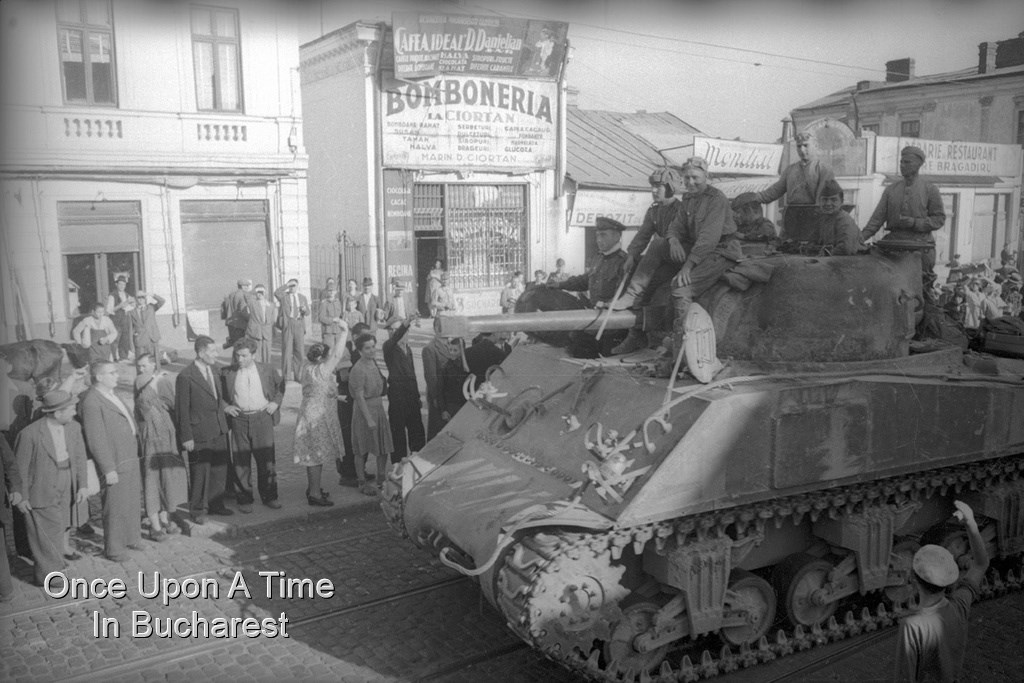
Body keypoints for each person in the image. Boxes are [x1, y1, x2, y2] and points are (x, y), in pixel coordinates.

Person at [894, 500, 989, 682]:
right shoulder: (959, 605)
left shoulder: (912, 626)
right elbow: (980, 564)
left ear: (914, 580)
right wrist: (971, 524)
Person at [666, 157, 743, 363]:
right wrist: (673, 240)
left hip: (721, 251)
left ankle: (684, 353)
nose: (690, 182)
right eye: (687, 178)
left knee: (681, 288)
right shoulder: (689, 199)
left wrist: (687, 267)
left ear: (706, 177)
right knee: (658, 249)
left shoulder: (716, 198)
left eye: (695, 178)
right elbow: (676, 226)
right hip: (701, 250)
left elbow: (709, 239)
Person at [11, 390, 88, 585]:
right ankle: (48, 577)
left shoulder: (74, 427)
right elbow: (20, 469)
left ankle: (55, 564)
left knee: (61, 525)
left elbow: (79, 458)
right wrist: (22, 498)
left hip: (66, 481)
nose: (74, 412)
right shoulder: (29, 434)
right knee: (47, 531)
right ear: (56, 412)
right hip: (42, 487)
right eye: (70, 409)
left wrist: (82, 486)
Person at [861, 145, 946, 301]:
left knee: (920, 292)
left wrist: (915, 223)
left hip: (920, 246)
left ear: (918, 165)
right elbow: (876, 221)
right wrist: (858, 239)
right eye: (901, 162)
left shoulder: (930, 189)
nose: (902, 165)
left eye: (907, 162)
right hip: (893, 244)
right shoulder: (891, 190)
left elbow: (939, 219)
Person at [80, 360, 144, 560]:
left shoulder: (111, 395)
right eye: (112, 373)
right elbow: (96, 439)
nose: (117, 376)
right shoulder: (92, 401)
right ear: (99, 377)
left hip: (129, 456)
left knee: (132, 500)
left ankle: (132, 537)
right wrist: (108, 468)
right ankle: (114, 548)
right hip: (115, 461)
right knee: (115, 505)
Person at [548, 216, 630, 355]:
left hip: (613, 327)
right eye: (597, 235)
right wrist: (559, 284)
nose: (598, 239)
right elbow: (584, 281)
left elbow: (626, 296)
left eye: (603, 235)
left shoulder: (624, 262)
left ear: (617, 236)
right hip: (594, 322)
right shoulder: (597, 259)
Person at [175, 335, 232, 525]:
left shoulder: (214, 370)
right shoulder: (186, 376)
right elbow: (182, 410)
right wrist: (187, 437)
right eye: (212, 351)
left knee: (219, 468)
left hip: (218, 428)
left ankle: (216, 503)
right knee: (200, 471)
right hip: (199, 432)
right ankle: (198, 509)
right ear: (200, 353)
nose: (216, 354)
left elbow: (218, 399)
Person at [223, 339, 284, 513]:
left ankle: (269, 496)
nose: (240, 359)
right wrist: (226, 407)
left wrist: (275, 403)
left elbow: (281, 386)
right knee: (241, 461)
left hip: (262, 418)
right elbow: (218, 394)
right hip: (239, 420)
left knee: (266, 460)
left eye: (244, 356)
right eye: (237, 355)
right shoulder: (227, 372)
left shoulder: (267, 369)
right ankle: (244, 498)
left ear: (253, 355)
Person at [293, 323, 349, 506]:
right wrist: (344, 332)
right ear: (323, 358)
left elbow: (318, 390)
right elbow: (338, 355)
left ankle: (313, 488)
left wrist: (334, 396)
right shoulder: (322, 369)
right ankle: (315, 494)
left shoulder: (308, 367)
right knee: (315, 455)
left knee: (313, 452)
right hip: (318, 416)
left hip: (308, 411)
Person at [134, 353, 187, 540]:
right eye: (139, 366)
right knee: (152, 478)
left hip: (165, 433)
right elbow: (143, 407)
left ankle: (165, 518)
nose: (141, 369)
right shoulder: (143, 381)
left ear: (153, 365)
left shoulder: (161, 381)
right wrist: (155, 382)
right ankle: (155, 524)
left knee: (167, 477)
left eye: (144, 365)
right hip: (151, 436)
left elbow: (172, 403)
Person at [755, 131, 836, 241]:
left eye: (806, 145)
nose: (802, 150)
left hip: (813, 218)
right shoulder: (790, 170)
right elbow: (775, 190)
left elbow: (822, 198)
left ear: (815, 146)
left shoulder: (823, 169)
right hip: (791, 217)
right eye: (799, 146)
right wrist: (756, 197)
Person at [349, 333, 393, 496]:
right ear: (360, 351)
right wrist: (368, 419)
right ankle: (362, 482)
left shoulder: (373, 363)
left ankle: (381, 478)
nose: (371, 350)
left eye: (373, 346)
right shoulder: (358, 369)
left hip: (378, 408)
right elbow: (359, 396)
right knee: (362, 448)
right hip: (364, 411)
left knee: (383, 447)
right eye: (367, 348)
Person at [383, 314, 425, 462]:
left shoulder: (408, 349)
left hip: (411, 398)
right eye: (392, 331)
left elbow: (413, 375)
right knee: (398, 437)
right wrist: (406, 323)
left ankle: (418, 465)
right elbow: (395, 338)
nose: (395, 333)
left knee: (417, 434)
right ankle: (398, 469)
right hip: (397, 398)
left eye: (398, 330)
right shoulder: (388, 347)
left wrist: (418, 397)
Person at [335, 322, 370, 488]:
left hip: (360, 398)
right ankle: (347, 474)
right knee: (348, 436)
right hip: (347, 399)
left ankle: (360, 469)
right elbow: (344, 377)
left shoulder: (365, 351)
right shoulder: (346, 350)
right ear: (355, 337)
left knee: (362, 434)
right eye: (364, 336)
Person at [421, 318, 462, 440]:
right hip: (439, 399)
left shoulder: (452, 345)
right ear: (437, 329)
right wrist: (438, 402)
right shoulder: (430, 349)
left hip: (452, 398)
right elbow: (431, 378)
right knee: (437, 434)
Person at [814, 180, 864, 256]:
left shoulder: (845, 220)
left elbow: (846, 249)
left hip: (852, 260)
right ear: (819, 201)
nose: (828, 204)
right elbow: (815, 241)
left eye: (833, 200)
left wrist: (826, 253)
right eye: (824, 200)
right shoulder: (823, 219)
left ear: (841, 202)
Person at [275, 278, 309, 383]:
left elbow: (308, 312)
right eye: (291, 285)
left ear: (297, 286)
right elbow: (276, 292)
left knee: (299, 351)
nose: (292, 287)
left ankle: (298, 375)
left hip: (299, 323)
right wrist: (286, 284)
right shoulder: (284, 297)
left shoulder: (302, 297)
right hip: (288, 324)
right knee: (287, 350)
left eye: (294, 285)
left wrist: (304, 310)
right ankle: (287, 376)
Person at [128, 291, 165, 368]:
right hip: (140, 340)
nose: (141, 299)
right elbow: (130, 329)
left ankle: (156, 376)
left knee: (155, 362)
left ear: (145, 298)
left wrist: (152, 294)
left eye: (142, 297)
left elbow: (162, 301)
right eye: (138, 297)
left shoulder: (151, 308)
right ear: (135, 299)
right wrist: (131, 345)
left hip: (152, 338)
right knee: (140, 363)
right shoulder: (131, 312)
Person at [106, 275, 135, 362]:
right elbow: (109, 310)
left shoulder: (127, 295)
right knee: (115, 338)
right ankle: (114, 357)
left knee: (125, 338)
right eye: (120, 284)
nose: (122, 286)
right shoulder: (112, 295)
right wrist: (120, 305)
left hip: (125, 319)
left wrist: (133, 304)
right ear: (116, 284)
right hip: (116, 319)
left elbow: (132, 306)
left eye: (124, 284)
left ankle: (123, 357)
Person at [245, 284, 275, 364]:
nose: (260, 294)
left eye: (262, 292)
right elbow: (247, 295)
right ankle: (258, 371)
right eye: (258, 292)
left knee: (267, 354)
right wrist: (255, 290)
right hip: (256, 332)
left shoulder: (270, 305)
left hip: (266, 332)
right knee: (257, 353)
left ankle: (267, 370)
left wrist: (267, 328)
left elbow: (272, 320)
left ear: (265, 293)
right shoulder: (252, 303)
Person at [220, 279, 252, 350]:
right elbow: (243, 311)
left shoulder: (231, 294)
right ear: (242, 286)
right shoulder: (244, 295)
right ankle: (238, 360)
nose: (247, 287)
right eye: (246, 286)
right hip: (240, 324)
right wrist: (250, 319)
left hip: (230, 323)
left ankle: (235, 360)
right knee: (240, 346)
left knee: (235, 345)